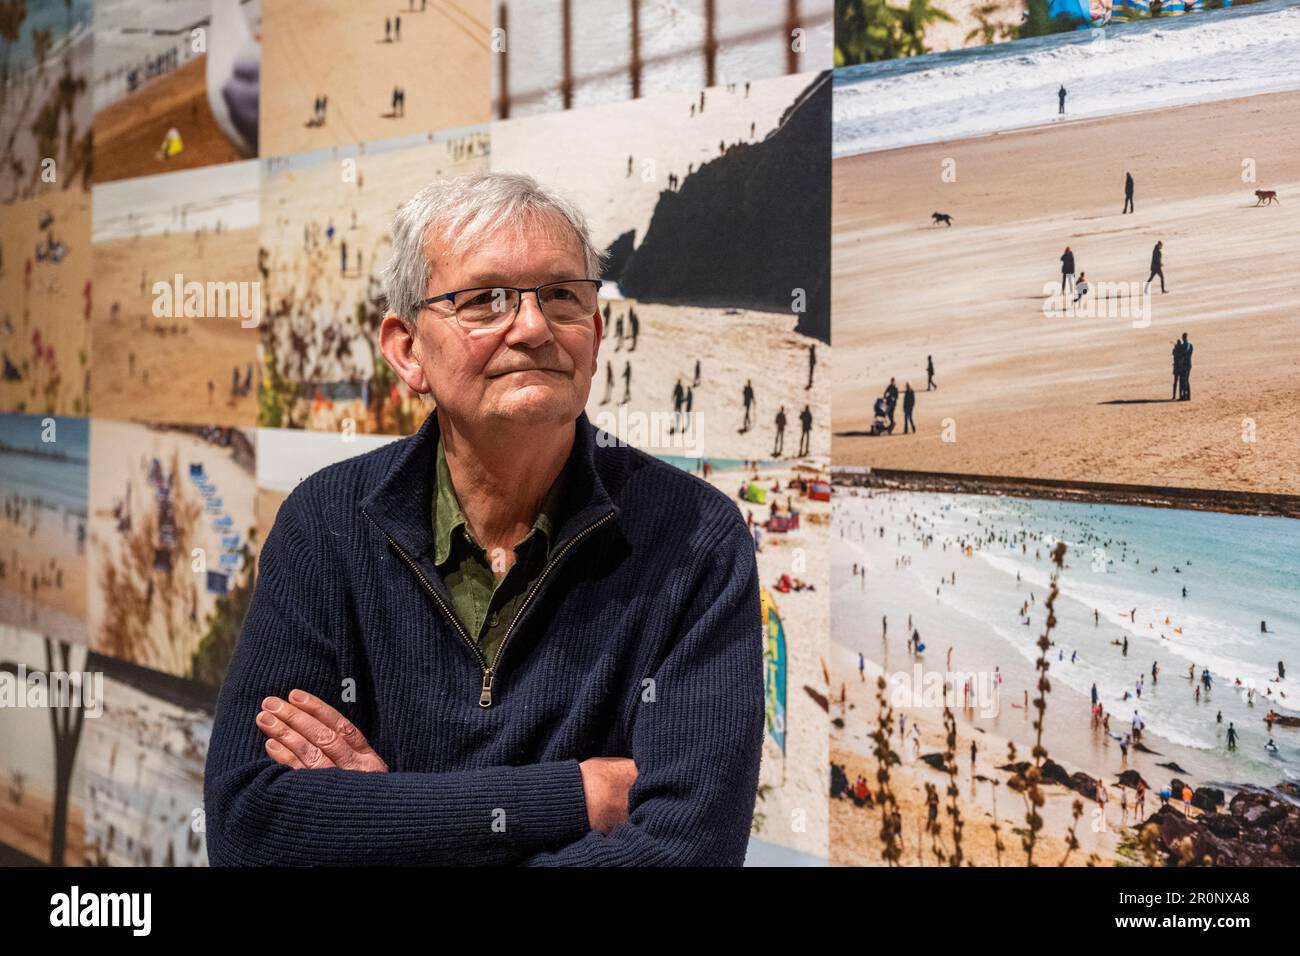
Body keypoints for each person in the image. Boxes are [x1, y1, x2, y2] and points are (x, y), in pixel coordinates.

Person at [203, 172, 765, 866]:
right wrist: (576, 794)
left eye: (561, 295)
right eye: (485, 300)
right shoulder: (325, 525)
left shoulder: (695, 542)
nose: (532, 327)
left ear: (593, 332)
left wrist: (386, 819)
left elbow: (688, 854)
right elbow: (251, 828)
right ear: (408, 350)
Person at [1177, 332, 1192, 401]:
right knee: (1186, 380)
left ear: (1183, 338)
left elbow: (1181, 355)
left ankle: (1184, 396)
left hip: (1184, 365)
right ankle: (1188, 396)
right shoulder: (1190, 345)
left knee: (1183, 381)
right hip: (1189, 364)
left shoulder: (1183, 346)